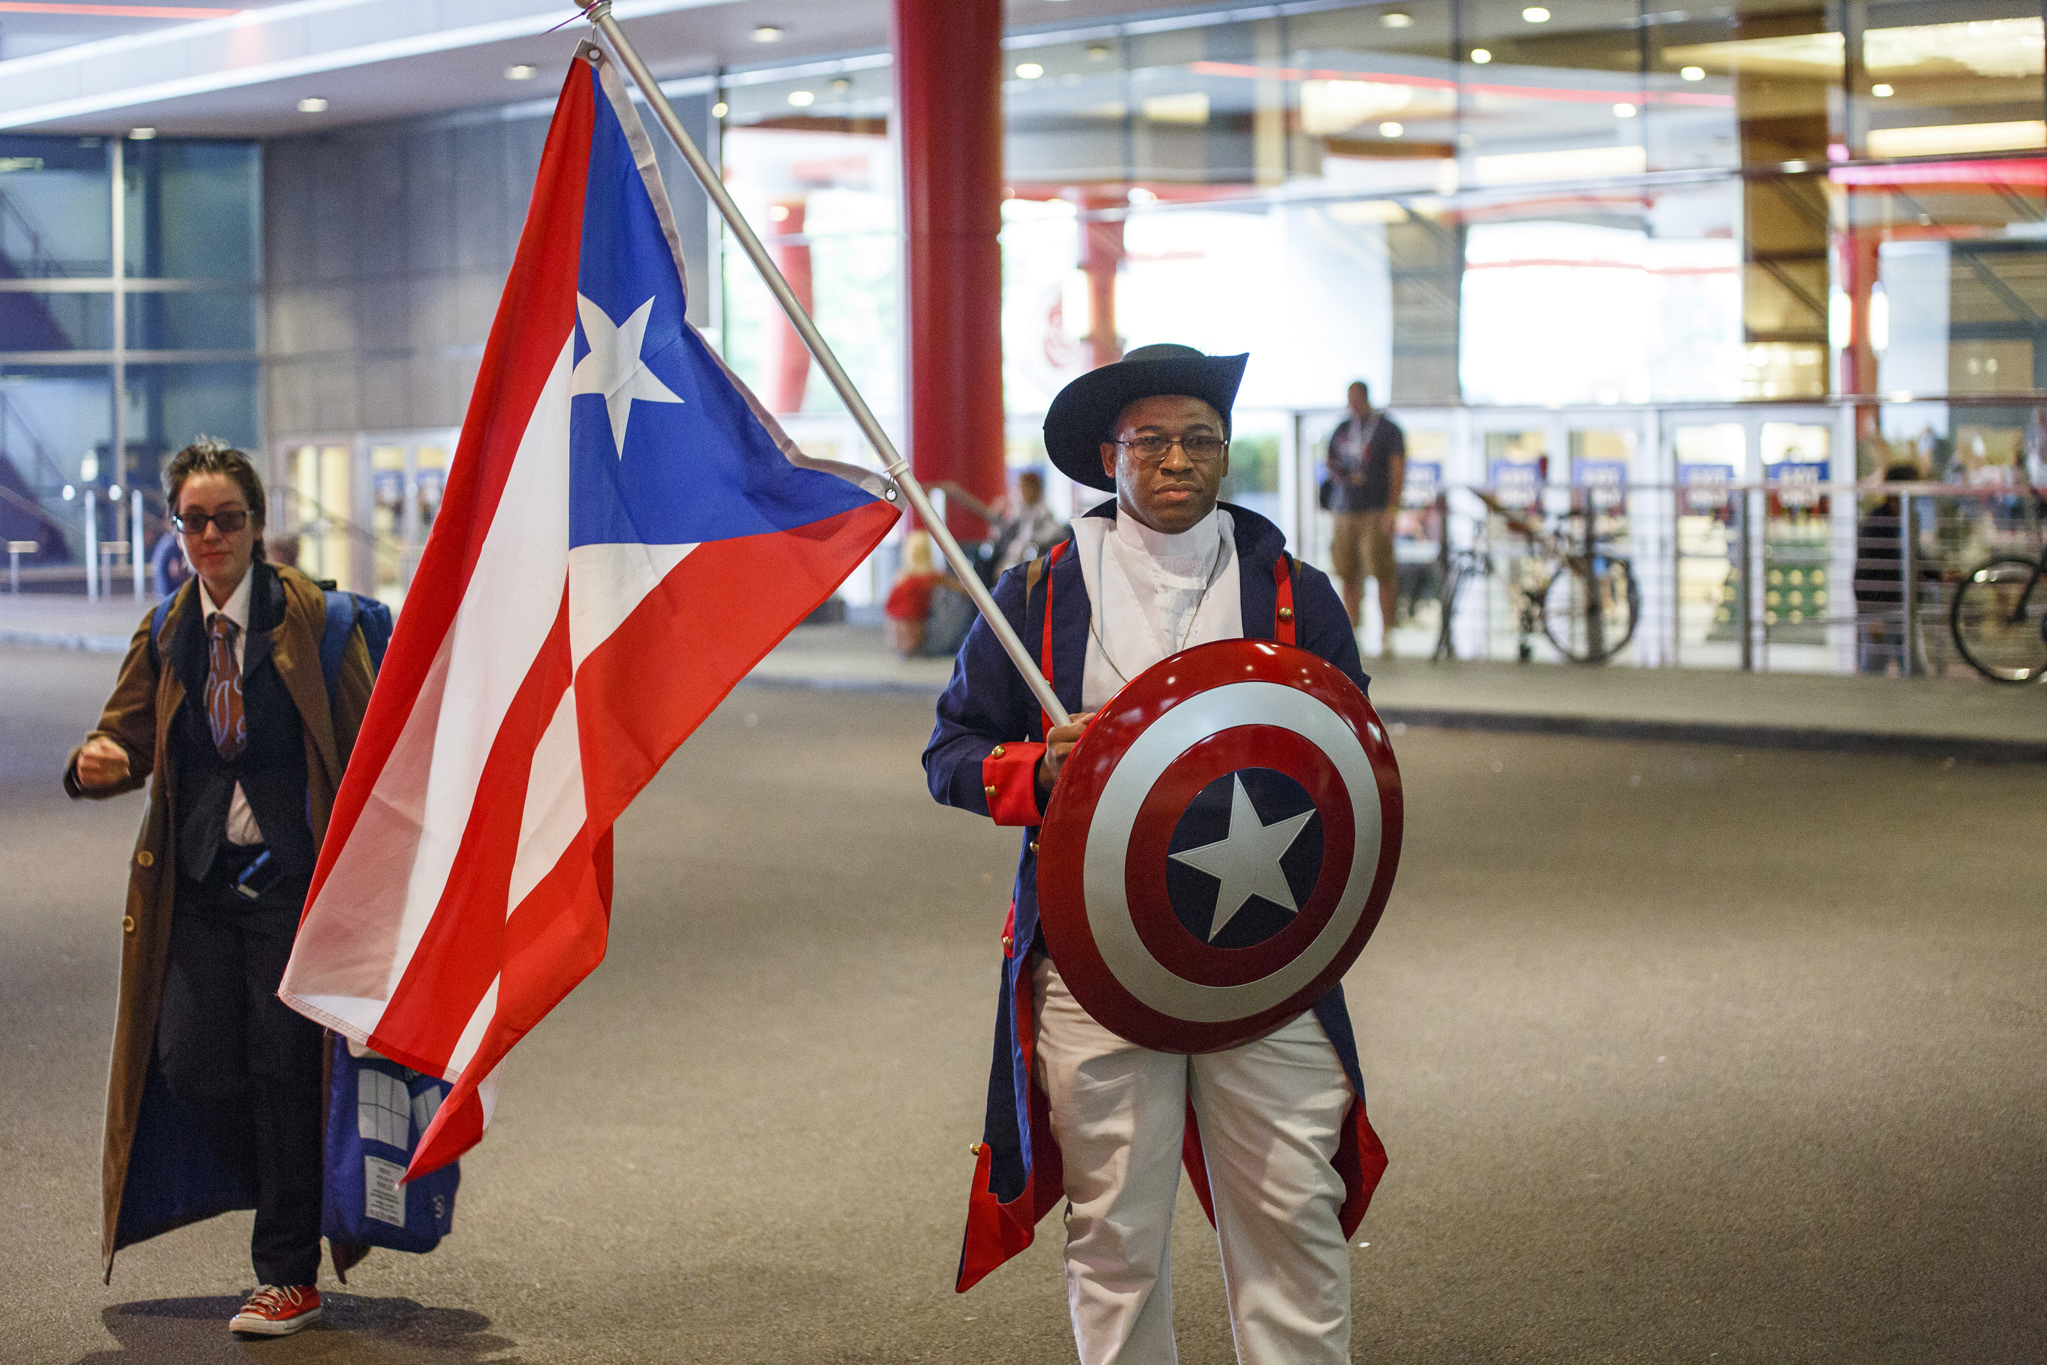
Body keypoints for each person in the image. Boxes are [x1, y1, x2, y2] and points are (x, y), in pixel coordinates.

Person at [925, 343, 1386, 1364]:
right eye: (1151, 441)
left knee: (1291, 1214)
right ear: (1109, 456)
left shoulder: (1294, 595)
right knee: (1115, 1234)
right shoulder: (1035, 594)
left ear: (1225, 454)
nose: (1177, 459)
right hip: (1095, 961)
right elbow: (949, 754)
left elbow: (1355, 756)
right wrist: (1037, 770)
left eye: (1199, 440)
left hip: (1265, 966)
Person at [65, 439, 376, 1336]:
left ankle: (286, 1271)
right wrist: (96, 763)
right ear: (177, 528)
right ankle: (290, 1188)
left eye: (227, 519)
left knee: (284, 1068)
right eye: (194, 520)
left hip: (290, 888)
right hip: (197, 887)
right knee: (193, 1065)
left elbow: (368, 743)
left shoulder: (312, 620)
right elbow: (123, 736)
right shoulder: (168, 629)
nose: (211, 535)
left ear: (256, 524)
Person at [1324, 381, 1405, 658]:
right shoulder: (1342, 429)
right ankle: (1352, 633)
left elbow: (1397, 468)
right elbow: (1330, 462)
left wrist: (1392, 509)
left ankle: (1388, 634)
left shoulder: (1387, 429)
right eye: (1349, 399)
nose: (1352, 404)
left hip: (1375, 509)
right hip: (1345, 509)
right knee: (1348, 573)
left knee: (1382, 571)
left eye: (1356, 398)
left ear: (1366, 397)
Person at [941, 471, 1068, 576]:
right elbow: (1005, 526)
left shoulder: (1043, 511)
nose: (1022, 491)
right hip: (1013, 555)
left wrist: (1033, 542)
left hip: (1032, 556)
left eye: (1025, 487)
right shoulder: (1019, 510)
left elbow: (1054, 533)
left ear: (1034, 488)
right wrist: (997, 515)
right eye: (1021, 487)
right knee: (988, 566)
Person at [884, 529, 945, 657]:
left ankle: (905, 649)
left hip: (894, 617)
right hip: (915, 619)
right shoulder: (932, 576)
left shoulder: (901, 576)